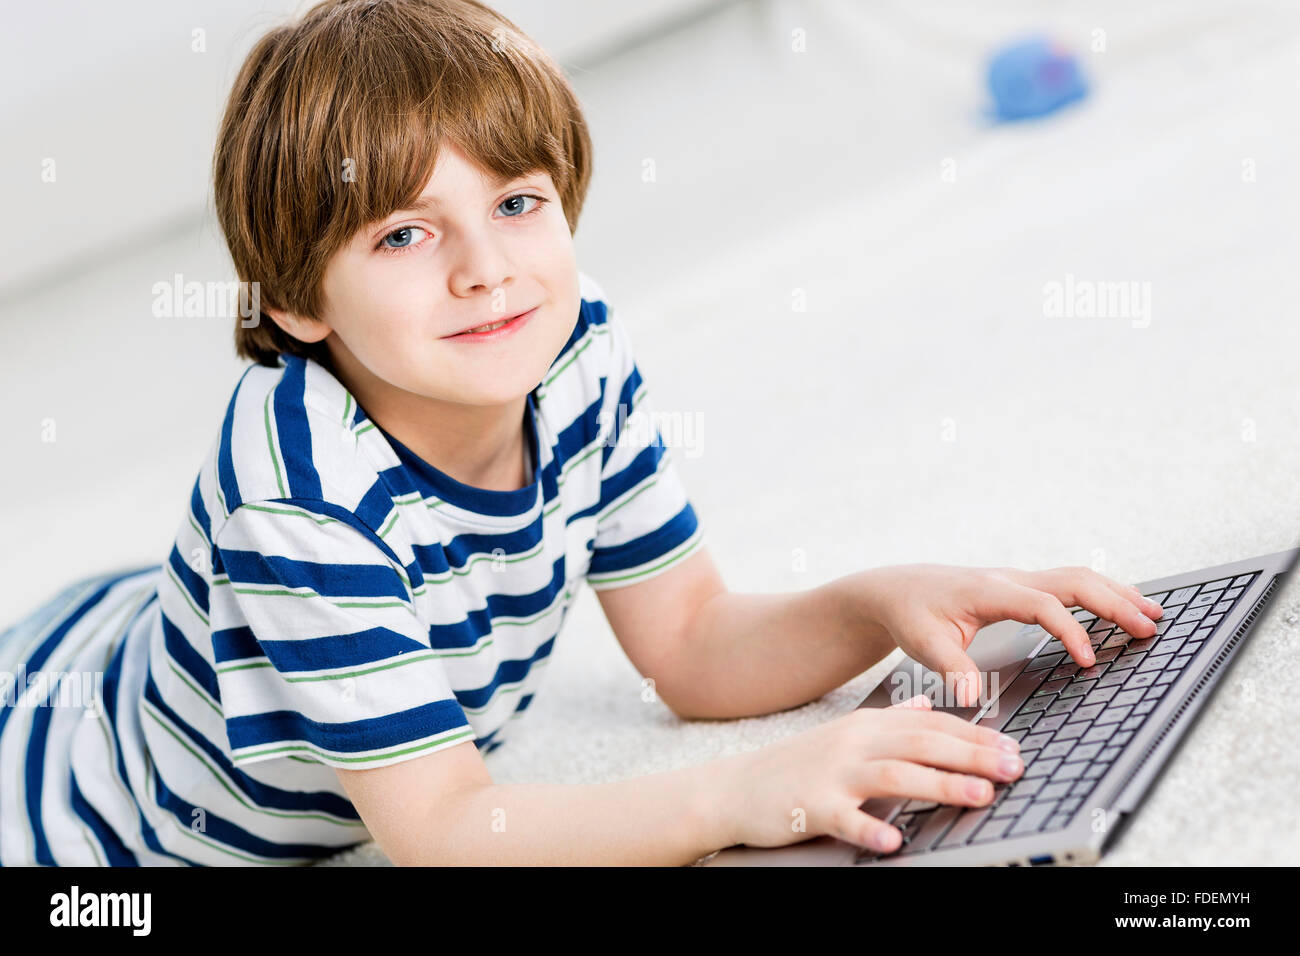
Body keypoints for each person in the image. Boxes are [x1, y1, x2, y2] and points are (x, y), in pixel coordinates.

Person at [0, 0, 1164, 866]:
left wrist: (873, 601)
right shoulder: (297, 507)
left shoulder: (571, 350)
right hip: (62, 788)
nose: (487, 271)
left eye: (516, 204)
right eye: (404, 235)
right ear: (296, 301)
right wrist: (743, 792)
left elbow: (693, 641)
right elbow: (445, 828)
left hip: (153, 620)